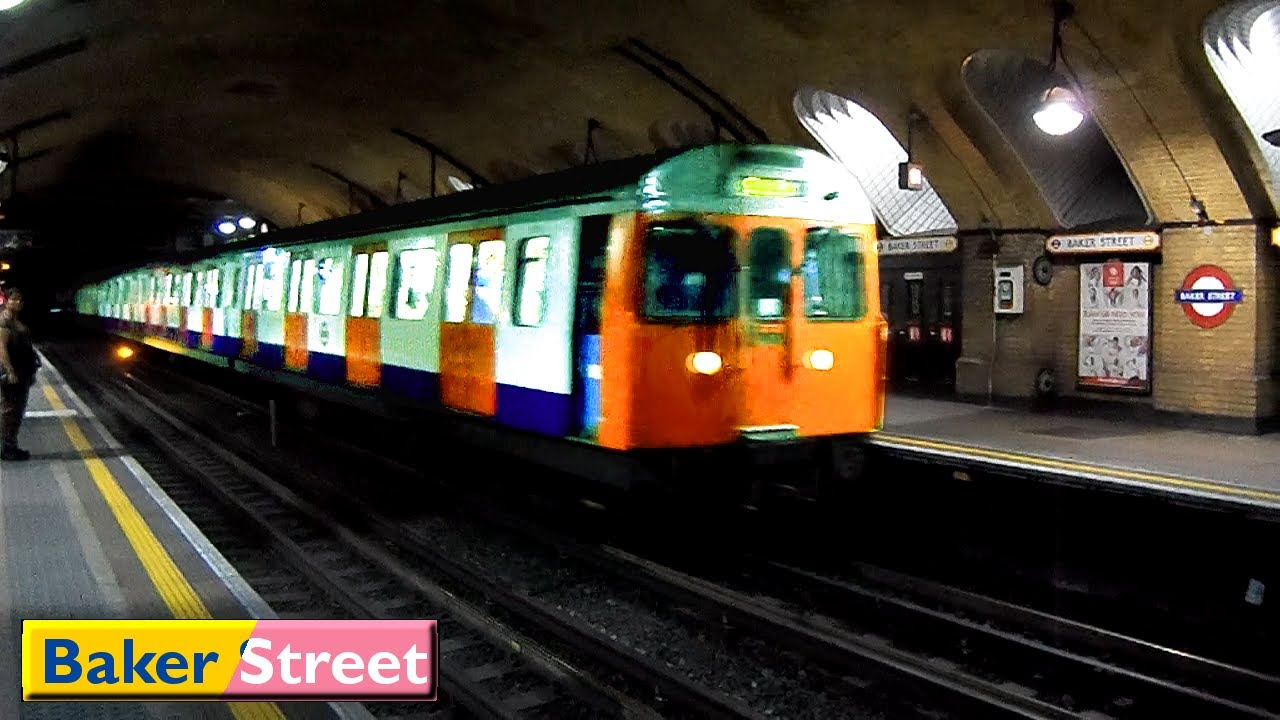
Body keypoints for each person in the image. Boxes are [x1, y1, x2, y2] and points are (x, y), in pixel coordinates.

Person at [0, 286, 39, 461]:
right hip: (13, 372)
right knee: (10, 411)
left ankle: (11, 445)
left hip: (22, 371)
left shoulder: (16, 321)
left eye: (19, 300)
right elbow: (1, 349)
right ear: (7, 301)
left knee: (17, 410)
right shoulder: (5, 322)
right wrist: (9, 371)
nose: (17, 302)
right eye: (13, 299)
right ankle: (7, 448)